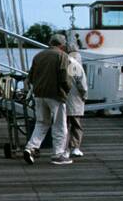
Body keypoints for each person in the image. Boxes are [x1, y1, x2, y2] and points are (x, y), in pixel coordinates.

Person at [24, 34, 72, 165]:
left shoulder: (38, 56)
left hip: (39, 94)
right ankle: (58, 154)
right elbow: (64, 77)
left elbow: (31, 77)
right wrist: (67, 90)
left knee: (41, 123)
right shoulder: (62, 56)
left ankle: (31, 147)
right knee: (60, 125)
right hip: (55, 94)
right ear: (61, 45)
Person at [65, 46, 89, 157]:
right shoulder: (76, 65)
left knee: (64, 126)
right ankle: (75, 147)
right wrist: (85, 96)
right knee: (76, 125)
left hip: (63, 99)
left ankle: (64, 148)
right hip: (76, 100)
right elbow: (82, 85)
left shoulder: (63, 63)